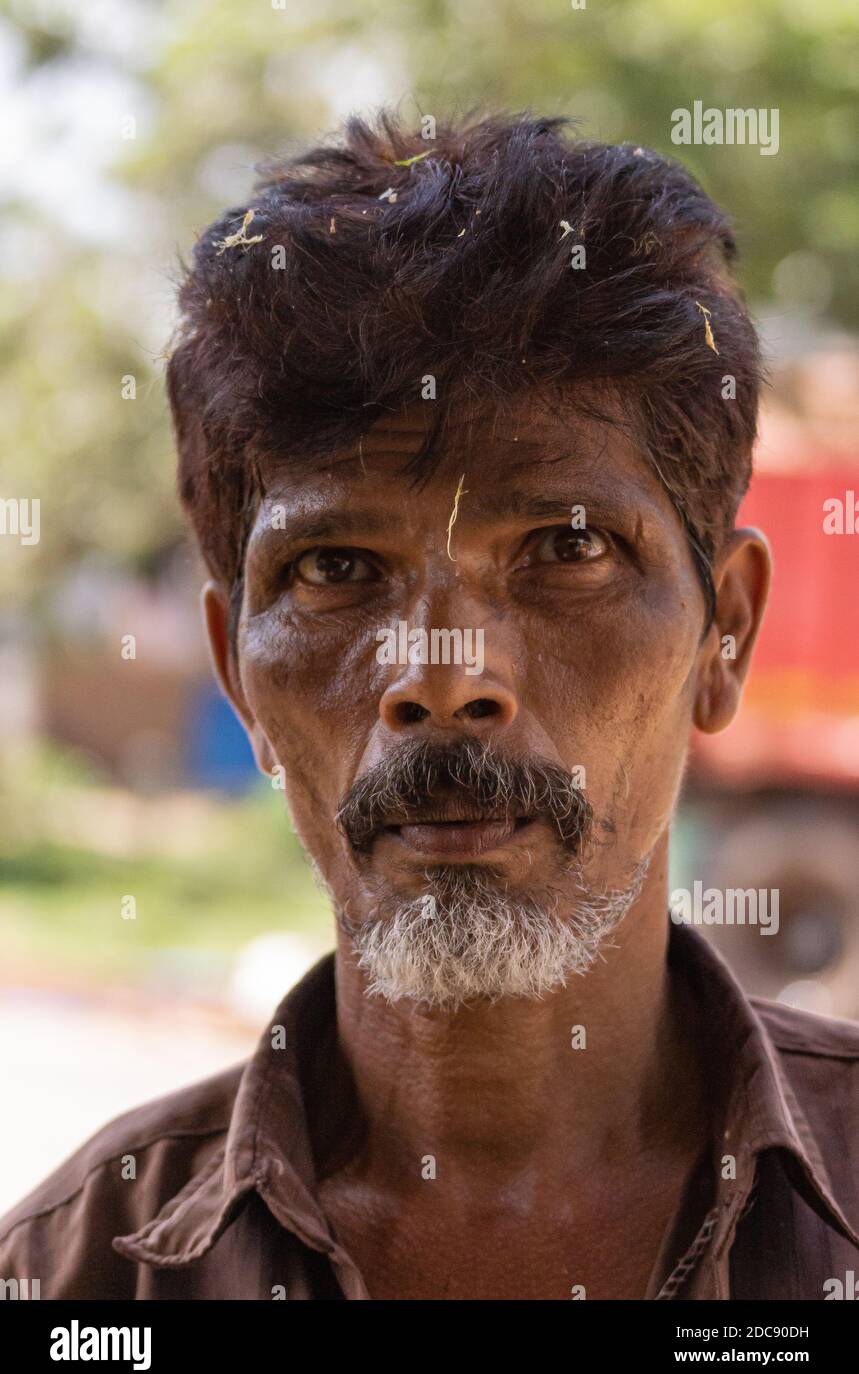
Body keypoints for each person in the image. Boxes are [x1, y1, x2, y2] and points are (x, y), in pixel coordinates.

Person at [3, 110, 858, 1300]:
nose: (445, 674)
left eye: (567, 548)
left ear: (727, 634)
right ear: (234, 669)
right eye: (336, 570)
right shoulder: (75, 1275)